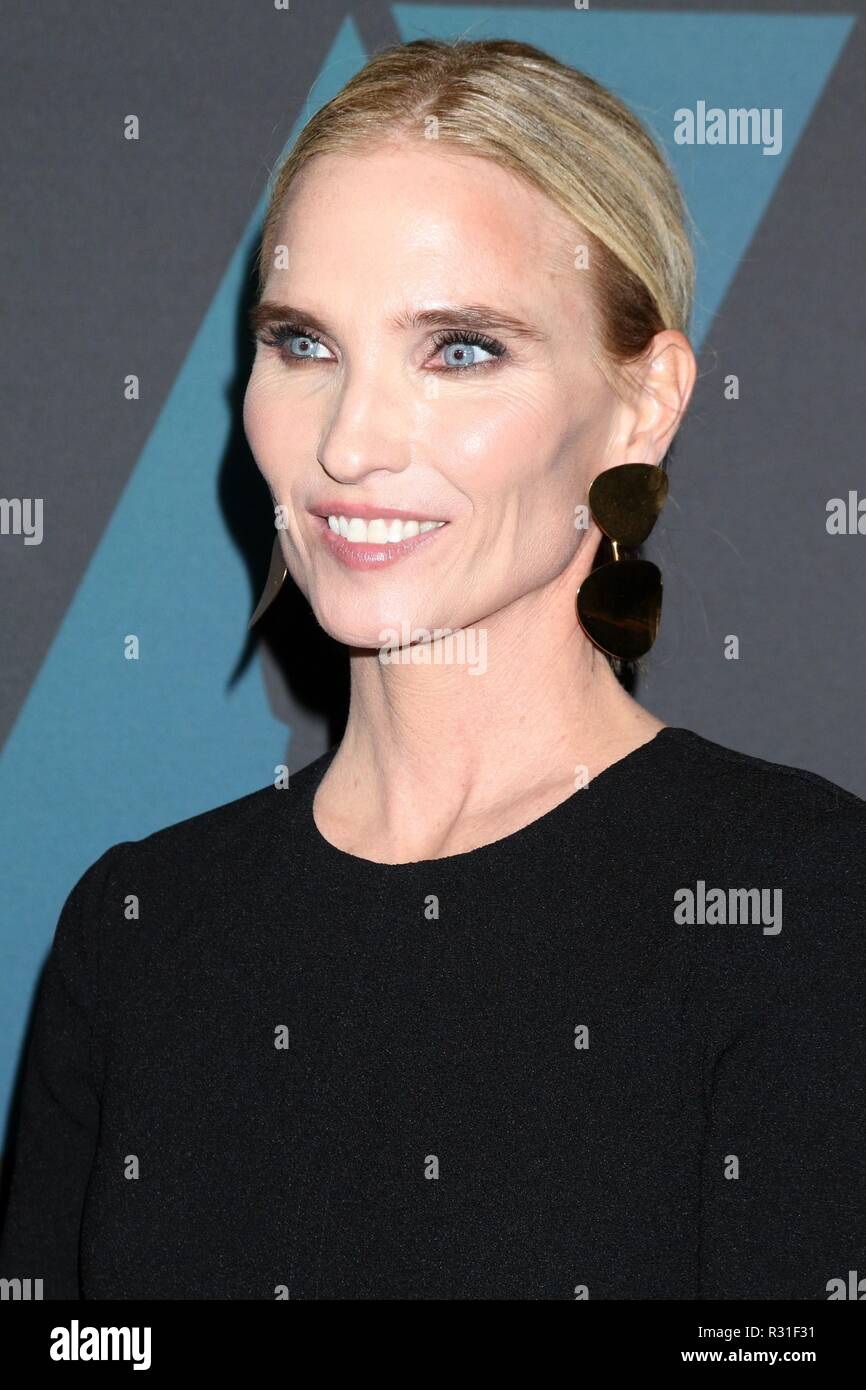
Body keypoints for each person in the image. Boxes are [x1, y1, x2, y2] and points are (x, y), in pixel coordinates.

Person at [1, 37, 864, 1300]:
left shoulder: (803, 908)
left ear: (641, 403)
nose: (348, 443)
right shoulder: (138, 932)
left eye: (458, 349)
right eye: (302, 344)